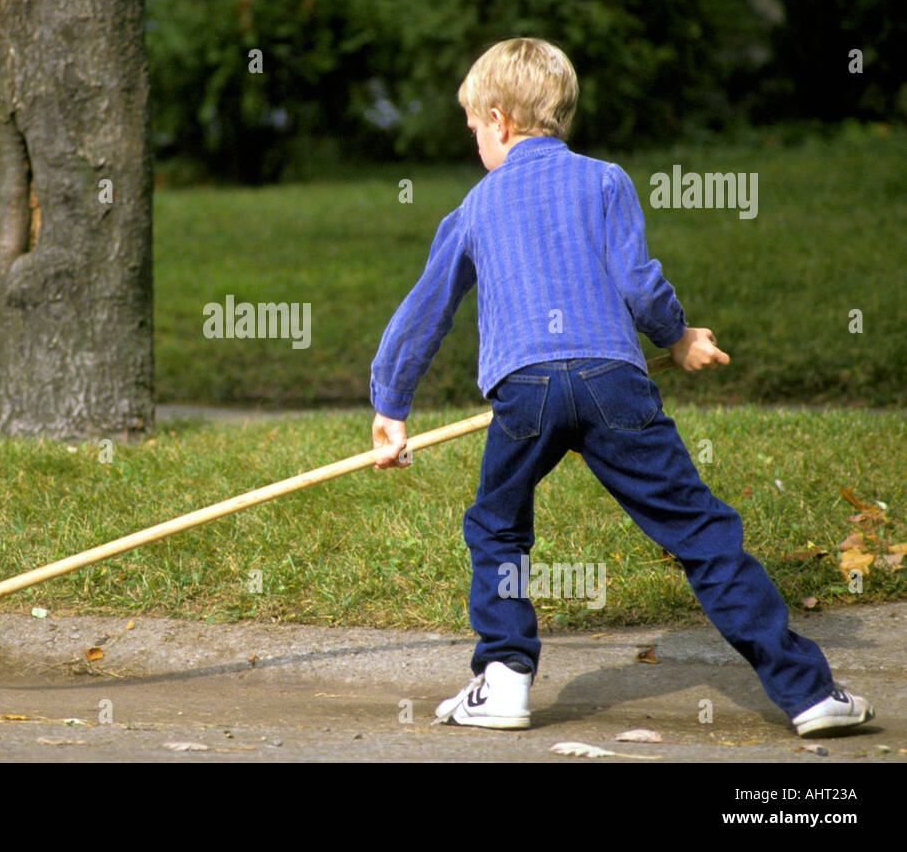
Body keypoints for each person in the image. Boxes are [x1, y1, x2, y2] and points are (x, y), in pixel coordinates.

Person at [367, 37, 874, 737]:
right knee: (698, 527)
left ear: (499, 120)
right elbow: (640, 283)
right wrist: (678, 336)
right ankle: (806, 690)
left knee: (497, 525)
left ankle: (506, 677)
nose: (475, 141)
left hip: (523, 394)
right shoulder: (605, 180)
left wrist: (390, 407)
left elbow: (424, 311)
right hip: (614, 385)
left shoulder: (475, 208)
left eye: (474, 129)